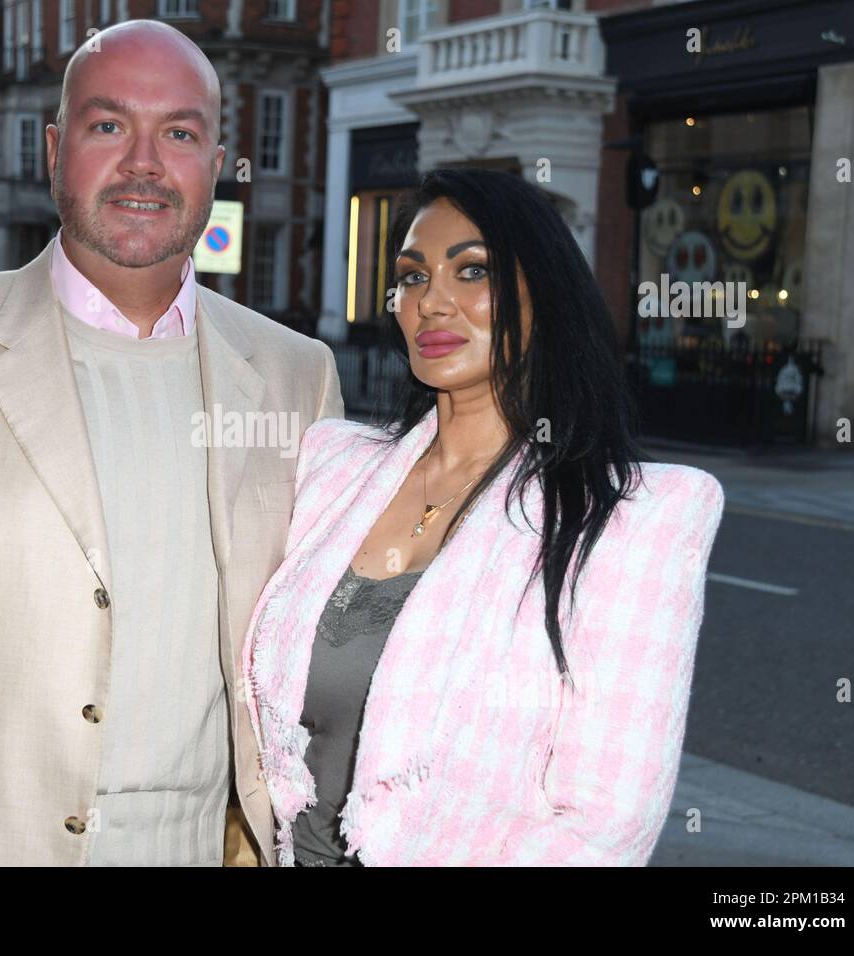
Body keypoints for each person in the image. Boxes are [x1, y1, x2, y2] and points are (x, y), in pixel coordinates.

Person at [0, 19, 343, 867]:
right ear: (54, 149)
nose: (145, 162)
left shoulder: (300, 377)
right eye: (109, 125)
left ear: (219, 162)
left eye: (180, 133)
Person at [243, 168, 725, 866]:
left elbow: (603, 827)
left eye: (473, 272)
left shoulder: (632, 524)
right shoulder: (332, 469)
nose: (433, 301)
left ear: (543, 295)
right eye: (412, 277)